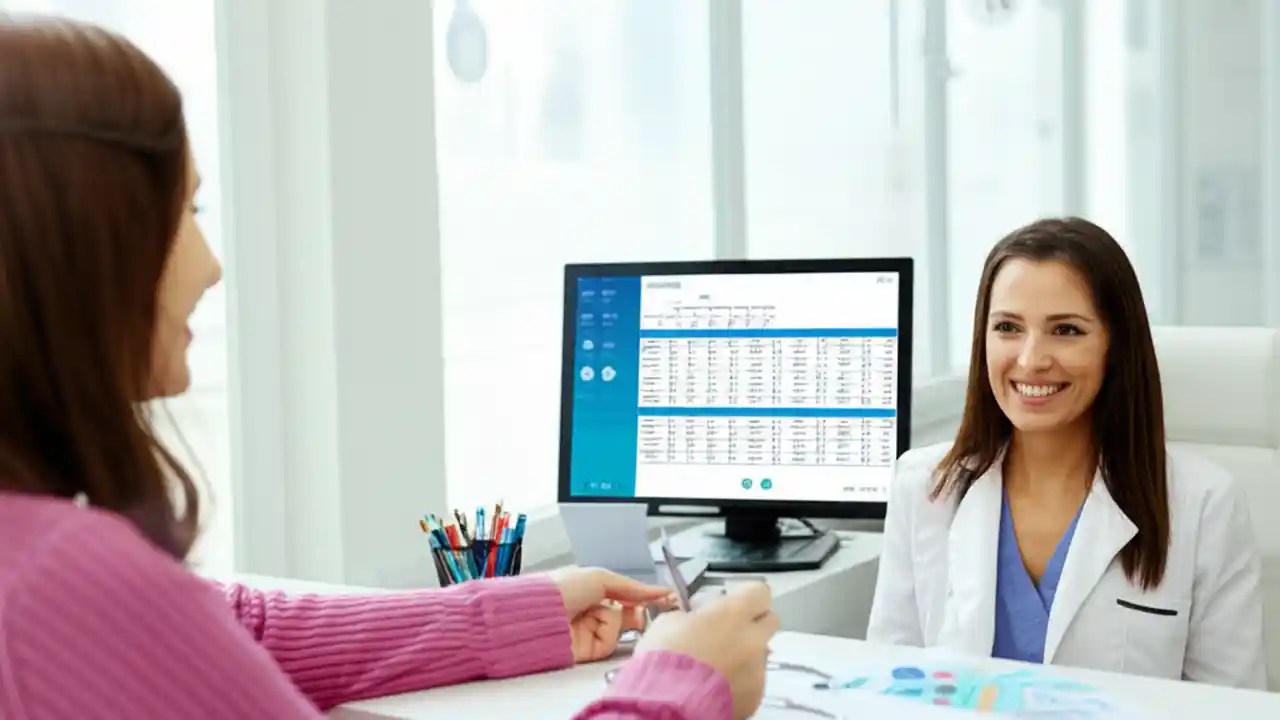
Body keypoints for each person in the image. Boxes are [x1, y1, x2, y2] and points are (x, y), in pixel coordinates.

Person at [0, 16, 777, 720]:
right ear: (82, 245)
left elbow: (236, 627)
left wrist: (519, 613)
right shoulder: (63, 581)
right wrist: (677, 687)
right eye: (186, 214)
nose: (210, 268)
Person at [867, 217, 1267, 689]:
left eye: (1067, 330)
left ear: (1114, 346)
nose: (1031, 358)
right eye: (1008, 327)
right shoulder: (923, 486)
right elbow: (889, 686)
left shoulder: (1203, 504)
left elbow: (1233, 708)